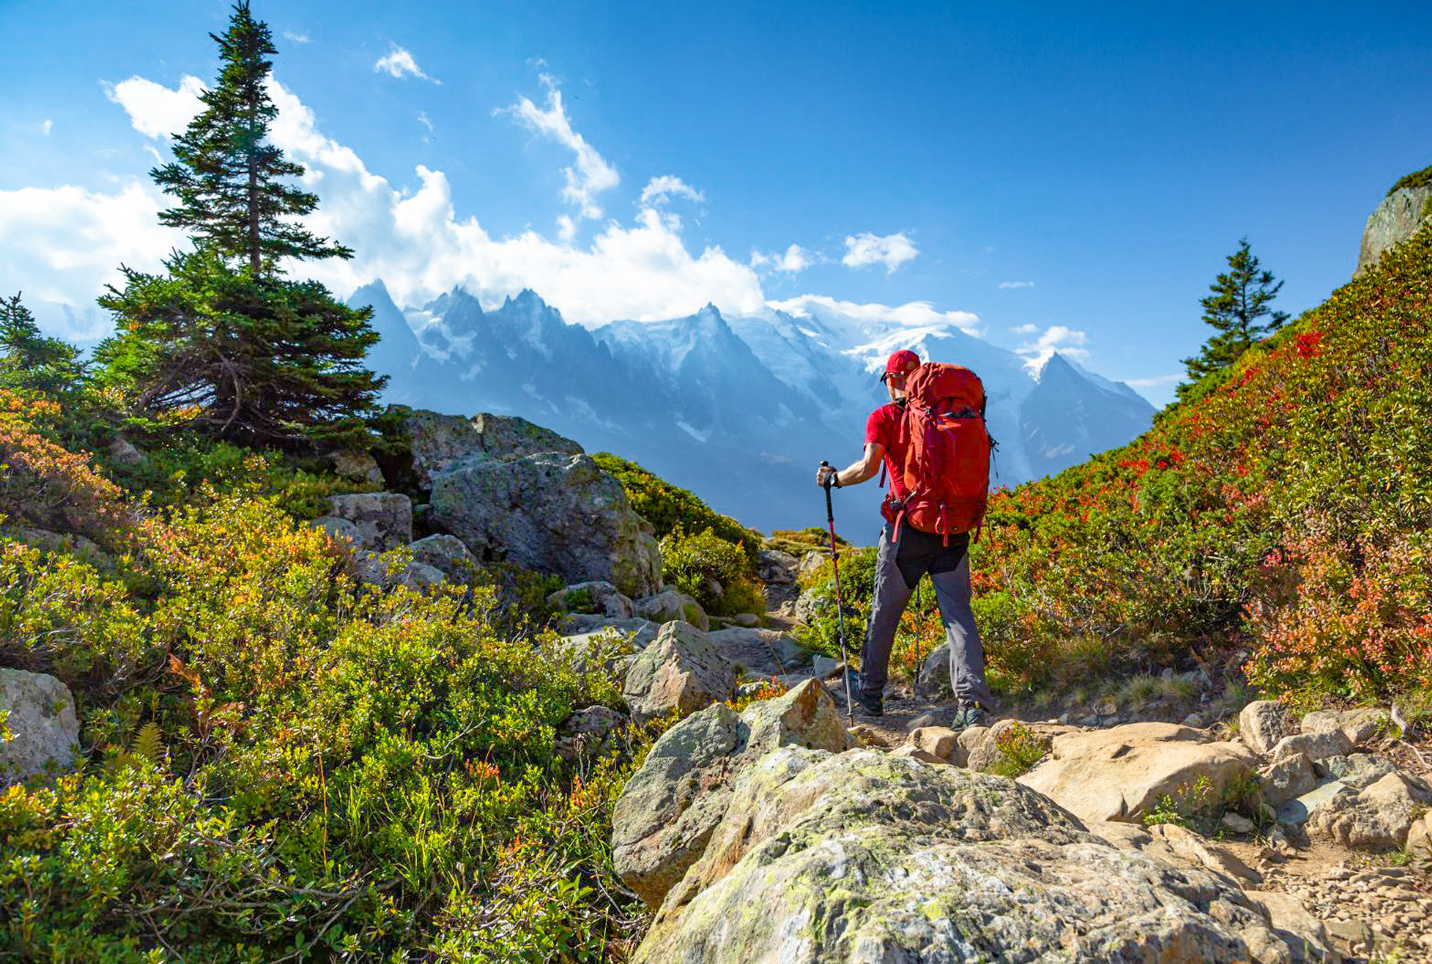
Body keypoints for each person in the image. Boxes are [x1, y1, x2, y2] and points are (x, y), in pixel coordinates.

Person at [815, 348, 995, 727]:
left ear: (892, 380)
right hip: (955, 529)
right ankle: (972, 705)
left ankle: (870, 696)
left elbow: (868, 468)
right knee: (959, 618)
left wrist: (834, 478)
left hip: (907, 532)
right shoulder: (954, 410)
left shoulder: (884, 416)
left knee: (885, 614)